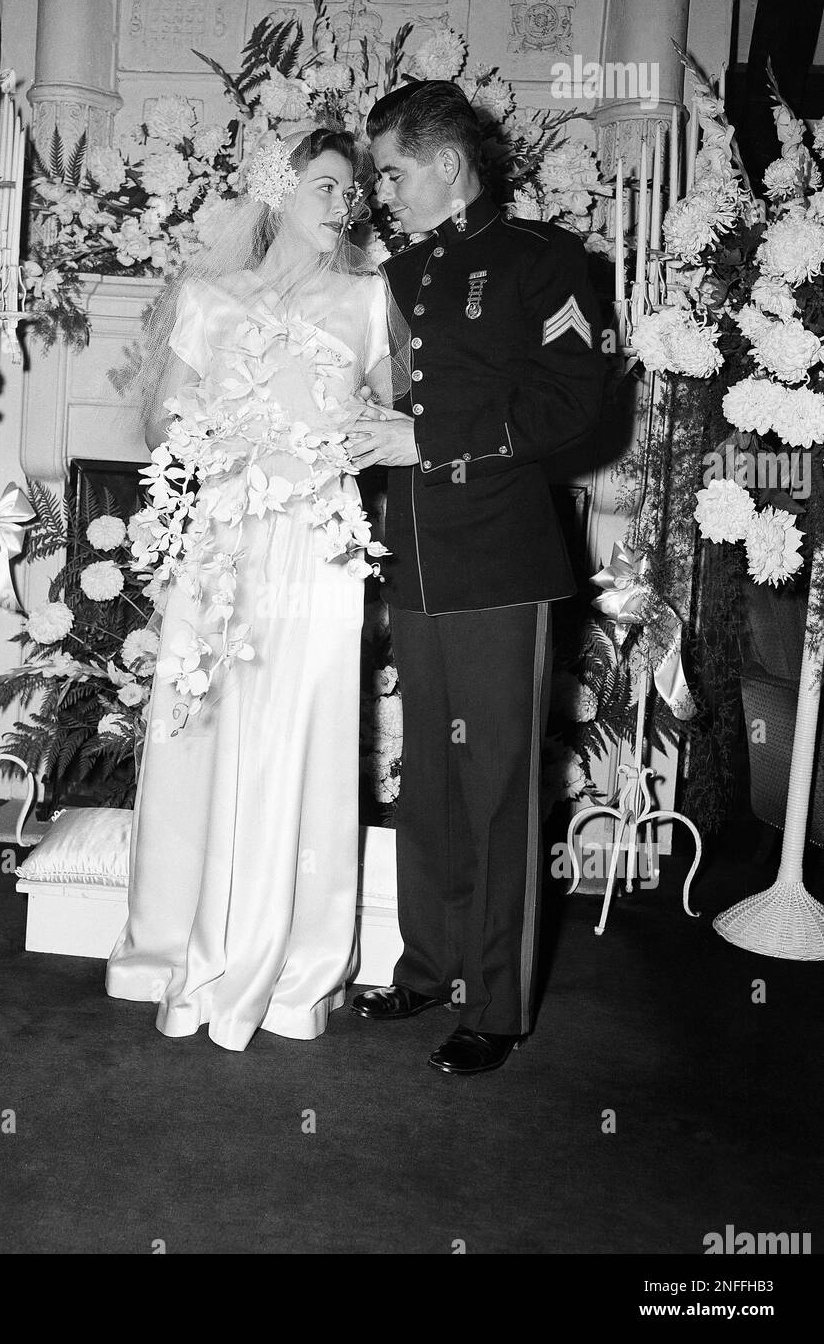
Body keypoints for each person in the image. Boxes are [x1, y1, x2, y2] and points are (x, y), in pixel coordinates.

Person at [105, 126, 410, 1052]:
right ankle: (180, 938)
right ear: (279, 191)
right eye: (326, 186)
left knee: (301, 736)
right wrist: (224, 431)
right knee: (203, 729)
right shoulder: (210, 296)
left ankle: (296, 955)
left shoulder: (368, 298)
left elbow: (398, 418)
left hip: (318, 545)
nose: (343, 206)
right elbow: (161, 426)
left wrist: (335, 437)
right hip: (225, 542)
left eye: (351, 192)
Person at [347, 81, 606, 1075]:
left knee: (497, 787)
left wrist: (427, 439)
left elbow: (571, 406)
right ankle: (427, 965)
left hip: (500, 562)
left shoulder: (546, 261)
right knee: (430, 780)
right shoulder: (400, 271)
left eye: (392, 173)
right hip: (414, 555)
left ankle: (496, 1003)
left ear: (446, 164)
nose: (382, 193)